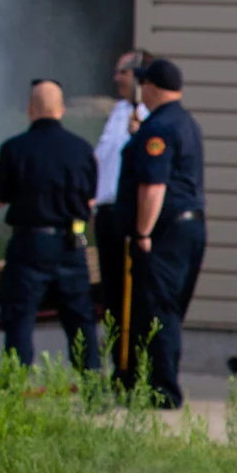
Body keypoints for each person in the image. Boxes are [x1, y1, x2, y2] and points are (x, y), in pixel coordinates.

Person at [0, 80, 102, 369]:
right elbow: (91, 199)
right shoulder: (82, 150)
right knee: (80, 319)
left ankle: (14, 385)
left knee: (20, 317)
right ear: (62, 109)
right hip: (72, 244)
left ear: (29, 109)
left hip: (30, 244)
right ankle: (93, 388)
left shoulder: (14, 149)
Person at [117, 57, 204, 407]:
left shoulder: (159, 129)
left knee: (158, 310)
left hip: (165, 233)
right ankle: (147, 381)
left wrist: (142, 234)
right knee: (166, 309)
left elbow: (153, 185)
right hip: (190, 228)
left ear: (152, 87)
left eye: (143, 84)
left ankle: (162, 391)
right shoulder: (184, 122)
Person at [91, 49, 146, 334]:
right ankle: (117, 364)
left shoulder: (148, 116)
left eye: (122, 72)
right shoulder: (119, 111)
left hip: (129, 214)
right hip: (106, 212)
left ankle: (131, 363)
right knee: (110, 291)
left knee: (130, 292)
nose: (115, 79)